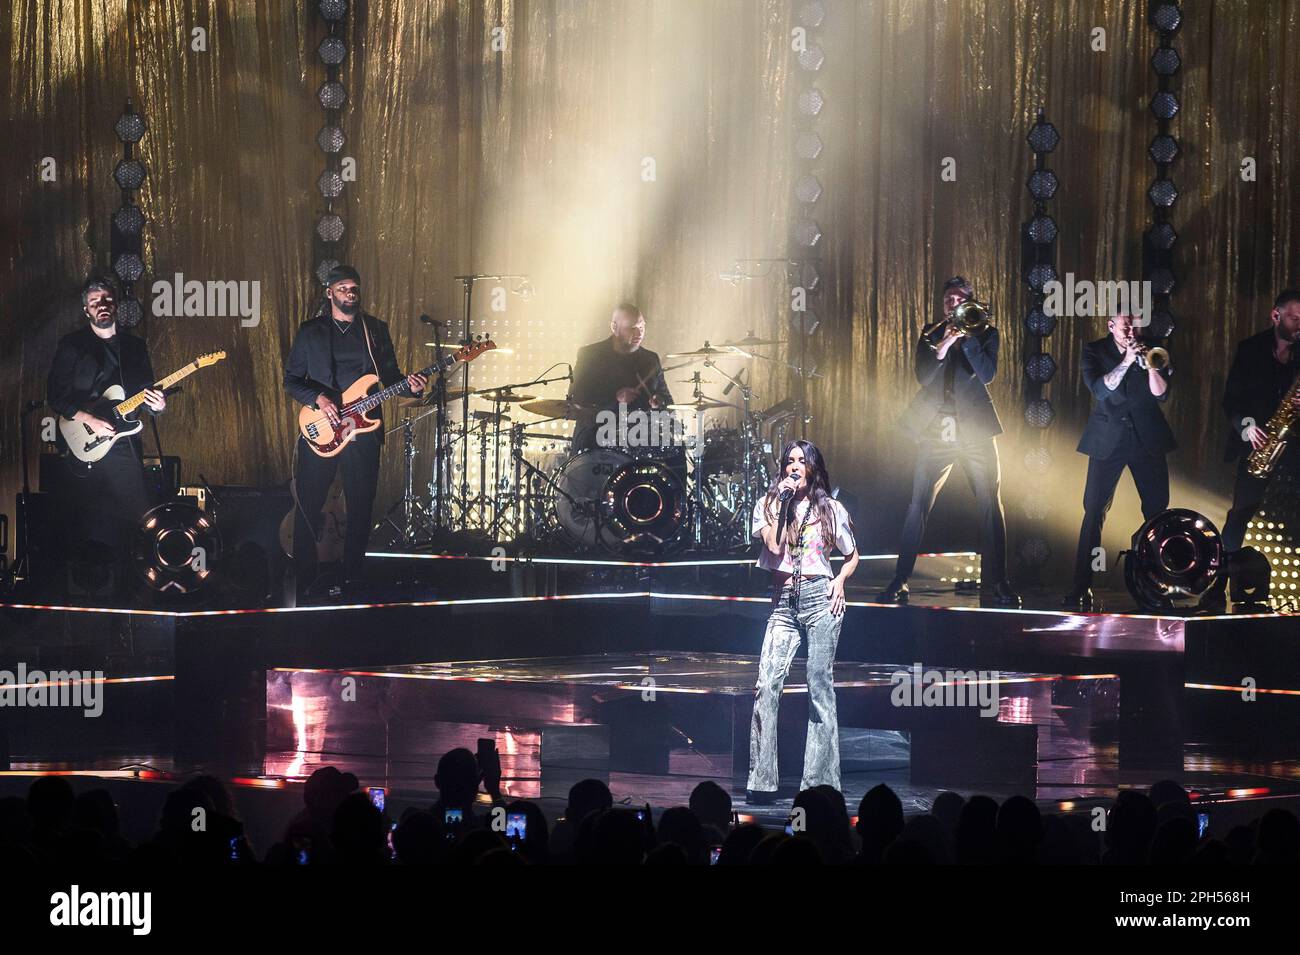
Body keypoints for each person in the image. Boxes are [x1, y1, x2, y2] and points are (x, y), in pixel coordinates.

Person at [283, 265, 426, 599]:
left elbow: (390, 377)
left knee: (361, 506)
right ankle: (306, 579)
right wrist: (317, 398)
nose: (350, 293)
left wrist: (413, 388)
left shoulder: (374, 330)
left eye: (355, 288)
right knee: (308, 503)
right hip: (321, 427)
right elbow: (291, 380)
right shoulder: (311, 332)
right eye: (344, 288)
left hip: (362, 430)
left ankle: (352, 579)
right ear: (329, 292)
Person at [877, 276, 1019, 608]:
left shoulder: (987, 333)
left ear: (972, 302)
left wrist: (966, 338)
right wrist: (943, 344)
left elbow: (986, 375)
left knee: (990, 504)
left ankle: (999, 583)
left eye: (958, 300)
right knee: (917, 505)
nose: (952, 305)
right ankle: (900, 580)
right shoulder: (930, 332)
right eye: (947, 301)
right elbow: (924, 378)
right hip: (935, 430)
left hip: (974, 431)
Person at [747, 440, 859, 804]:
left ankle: (819, 785)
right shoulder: (766, 505)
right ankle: (761, 782)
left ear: (813, 468)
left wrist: (840, 581)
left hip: (819, 599)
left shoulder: (831, 509)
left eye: (801, 461)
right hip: (782, 604)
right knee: (767, 685)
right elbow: (776, 548)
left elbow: (852, 554)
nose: (794, 467)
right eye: (788, 462)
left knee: (819, 687)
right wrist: (782, 505)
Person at [46, 276, 166, 590]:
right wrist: (90, 419)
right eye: (95, 301)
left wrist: (158, 404)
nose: (102, 305)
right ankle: (81, 593)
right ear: (86, 310)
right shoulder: (73, 345)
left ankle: (136, 590)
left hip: (122, 445)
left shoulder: (135, 347)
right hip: (82, 443)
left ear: (115, 305)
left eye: (107, 300)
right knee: (83, 522)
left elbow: (146, 398)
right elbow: (56, 397)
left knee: (139, 518)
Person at [1064, 312, 1174, 611]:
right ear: (1111, 326)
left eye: (1136, 325)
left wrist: (1147, 365)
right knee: (1094, 511)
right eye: (1125, 324)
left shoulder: (1155, 347)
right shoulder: (1094, 350)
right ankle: (1081, 585)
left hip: (1147, 439)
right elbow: (1100, 390)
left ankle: (1156, 582)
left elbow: (1162, 395)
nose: (1131, 330)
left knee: (1157, 511)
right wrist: (1126, 360)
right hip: (1107, 440)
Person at [1201, 289, 1300, 610]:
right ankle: (1218, 585)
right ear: (1276, 316)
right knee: (1239, 515)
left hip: (1295, 444)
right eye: (1294, 317)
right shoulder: (1251, 349)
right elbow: (1232, 399)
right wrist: (1246, 425)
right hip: (1261, 444)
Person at [568, 303, 674, 451]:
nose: (639, 333)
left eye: (642, 327)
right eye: (632, 328)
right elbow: (576, 401)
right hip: (595, 442)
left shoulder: (651, 359)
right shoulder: (590, 356)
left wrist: (660, 403)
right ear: (614, 327)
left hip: (637, 445)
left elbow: (669, 402)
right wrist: (615, 400)